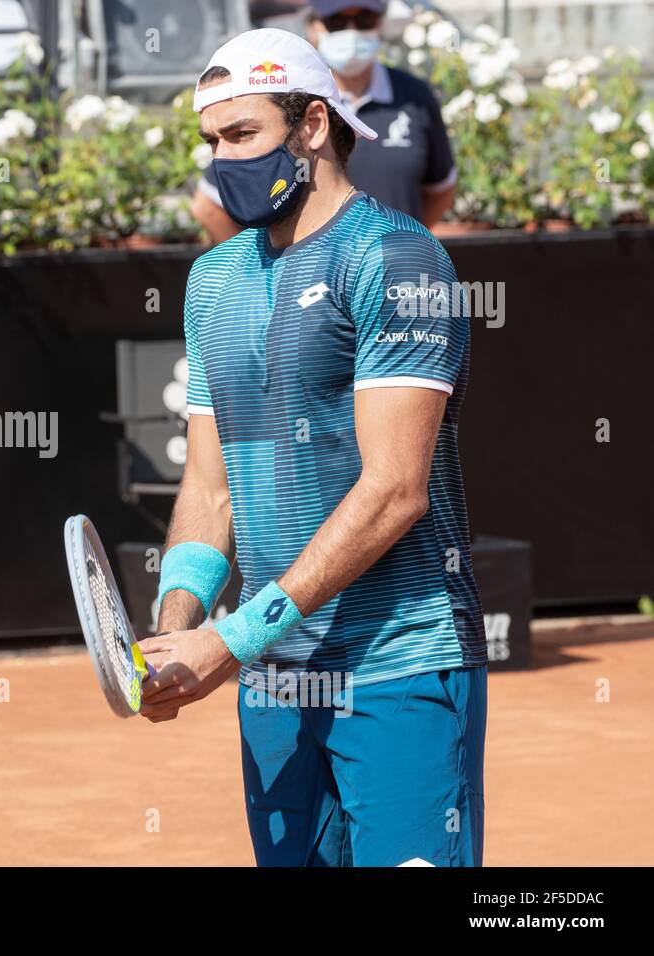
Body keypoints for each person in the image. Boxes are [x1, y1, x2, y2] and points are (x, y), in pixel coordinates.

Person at [140, 28, 487, 867]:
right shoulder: (211, 281)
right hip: (276, 683)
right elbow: (210, 488)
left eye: (243, 135)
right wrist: (177, 627)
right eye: (212, 142)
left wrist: (232, 639)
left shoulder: (398, 258)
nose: (223, 160)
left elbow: (395, 490)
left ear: (315, 125)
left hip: (400, 666)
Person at [192, 0, 457, 245]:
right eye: (337, 22)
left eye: (364, 19)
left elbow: (440, 190)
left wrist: (403, 243)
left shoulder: (414, 97)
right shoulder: (286, 96)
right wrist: (260, 267)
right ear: (313, 26)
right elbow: (208, 205)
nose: (352, 32)